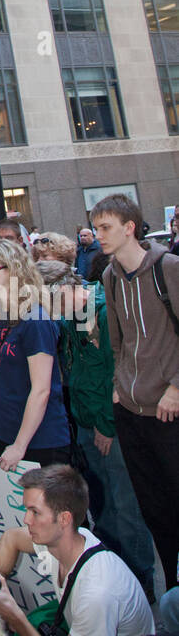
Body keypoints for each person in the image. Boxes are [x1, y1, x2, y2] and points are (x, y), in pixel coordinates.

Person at [43, 255, 154, 595]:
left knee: (125, 506)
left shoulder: (103, 314)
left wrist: (106, 425)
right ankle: (112, 575)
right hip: (87, 421)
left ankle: (140, 581)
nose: (49, 314)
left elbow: (114, 373)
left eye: (49, 304)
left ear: (62, 292)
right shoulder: (71, 317)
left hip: (112, 426)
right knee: (102, 506)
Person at [0, 465, 154, 636]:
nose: (26, 519)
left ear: (64, 518)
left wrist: (16, 619)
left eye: (35, 512)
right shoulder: (70, 539)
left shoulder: (97, 591)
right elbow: (10, 538)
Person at [93, 191, 179, 591]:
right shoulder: (109, 276)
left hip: (169, 409)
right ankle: (172, 586)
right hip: (130, 409)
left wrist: (176, 386)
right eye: (95, 228)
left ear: (130, 228)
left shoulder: (169, 268)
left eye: (105, 228)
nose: (98, 236)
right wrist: (117, 387)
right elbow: (119, 340)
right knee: (154, 509)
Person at [0, 239, 70, 470]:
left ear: (13, 269)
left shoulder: (35, 318)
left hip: (42, 438)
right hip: (3, 433)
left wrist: (20, 445)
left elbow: (42, 389)